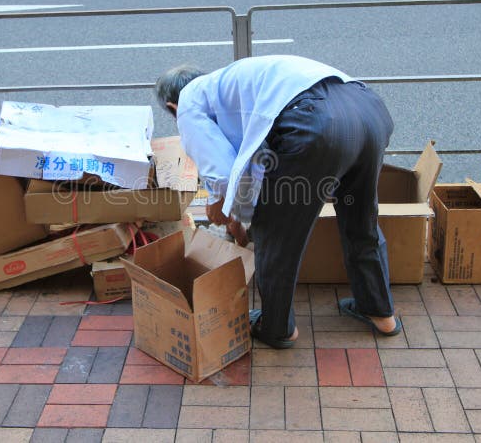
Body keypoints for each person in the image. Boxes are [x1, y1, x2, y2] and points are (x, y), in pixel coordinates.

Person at [155, 55, 401, 349]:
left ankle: (278, 327)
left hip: (317, 121)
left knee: (276, 234)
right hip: (367, 110)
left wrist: (220, 206)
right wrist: (237, 218)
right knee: (361, 220)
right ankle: (379, 311)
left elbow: (221, 173)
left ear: (172, 107)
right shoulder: (236, 86)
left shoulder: (189, 101)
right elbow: (258, 166)